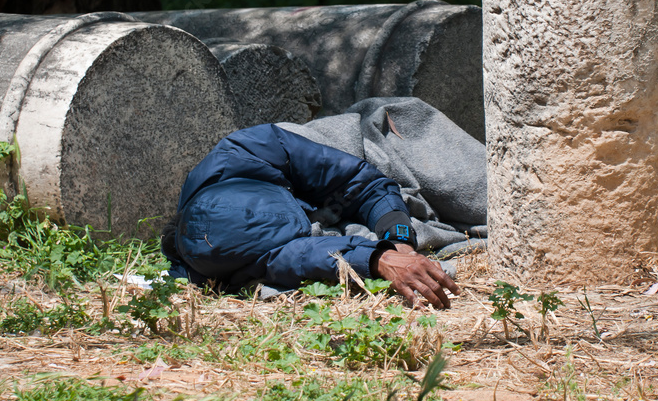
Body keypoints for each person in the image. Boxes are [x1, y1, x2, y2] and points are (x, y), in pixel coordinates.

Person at [161, 123, 460, 308]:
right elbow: (304, 255)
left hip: (317, 158)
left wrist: (400, 239)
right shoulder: (221, 259)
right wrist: (379, 259)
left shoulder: (249, 150)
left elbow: (366, 182)